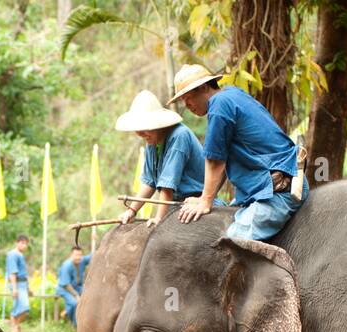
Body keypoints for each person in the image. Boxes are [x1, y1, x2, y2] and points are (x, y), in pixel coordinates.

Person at [170, 64, 304, 241]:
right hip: (262, 190)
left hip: (277, 192)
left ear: (203, 87)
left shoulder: (219, 105)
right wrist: (205, 197)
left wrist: (205, 201)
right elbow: (221, 161)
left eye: (188, 97)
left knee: (233, 241)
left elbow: (215, 162)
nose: (186, 105)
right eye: (182, 101)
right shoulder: (233, 94)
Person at [115, 89, 207, 225]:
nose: (140, 133)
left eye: (144, 127)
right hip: (174, 205)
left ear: (157, 123)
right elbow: (149, 182)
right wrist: (131, 211)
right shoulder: (152, 140)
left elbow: (167, 186)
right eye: (137, 128)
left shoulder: (179, 136)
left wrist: (159, 219)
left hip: (195, 202)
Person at [56, 245, 91, 326]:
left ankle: (66, 311)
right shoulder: (67, 265)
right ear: (71, 255)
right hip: (65, 288)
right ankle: (75, 325)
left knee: (90, 298)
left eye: (80, 255)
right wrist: (76, 295)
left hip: (78, 287)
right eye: (76, 255)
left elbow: (93, 256)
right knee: (75, 303)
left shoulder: (81, 261)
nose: (78, 257)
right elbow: (66, 284)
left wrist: (94, 240)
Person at [5, 235, 31, 332]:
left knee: (24, 308)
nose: (24, 245)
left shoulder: (20, 255)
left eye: (26, 244)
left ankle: (15, 324)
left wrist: (29, 287)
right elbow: (12, 272)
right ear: (17, 243)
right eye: (22, 243)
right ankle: (14, 326)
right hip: (17, 284)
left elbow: (24, 273)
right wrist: (15, 288)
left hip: (23, 284)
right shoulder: (13, 254)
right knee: (23, 306)